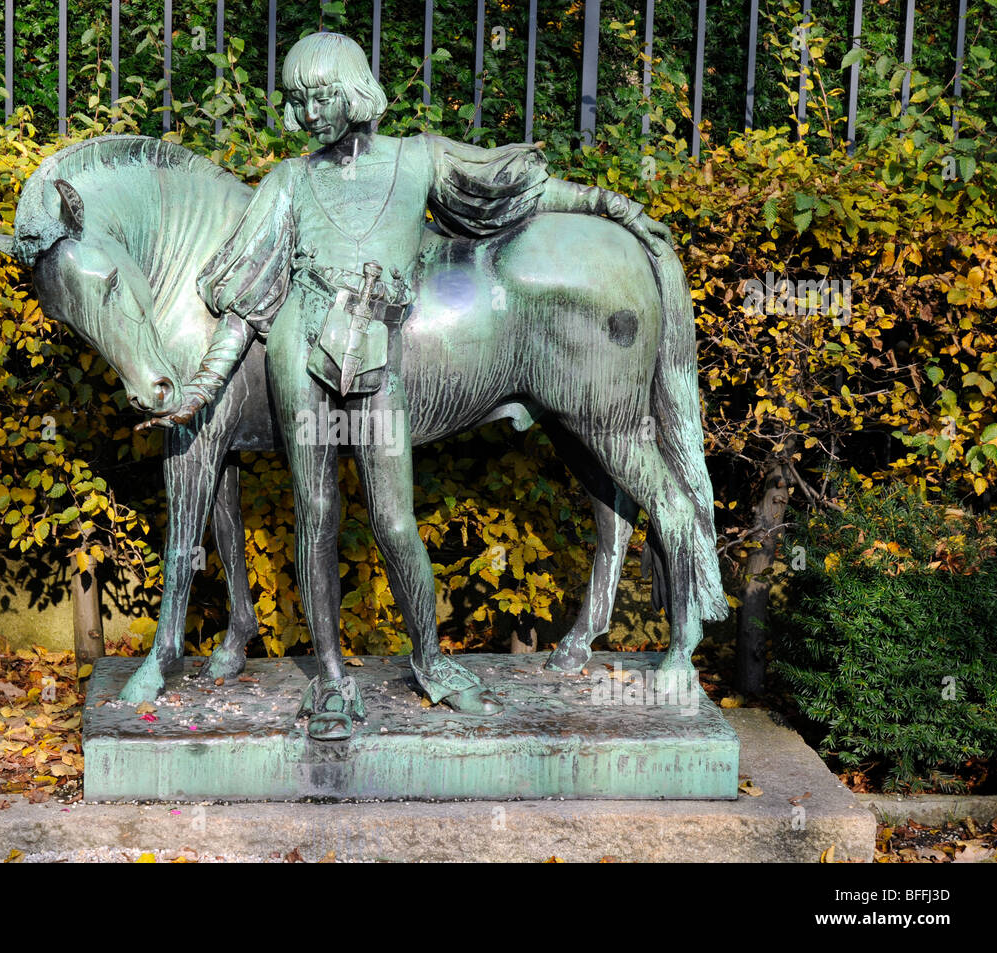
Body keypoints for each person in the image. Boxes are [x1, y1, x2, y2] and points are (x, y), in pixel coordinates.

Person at [143, 32, 672, 740]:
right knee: (318, 515)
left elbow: (517, 195)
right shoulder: (289, 182)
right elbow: (245, 305)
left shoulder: (417, 158)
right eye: (297, 102)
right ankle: (330, 678)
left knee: (395, 521)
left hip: (377, 349)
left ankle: (429, 657)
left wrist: (612, 207)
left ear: (356, 91)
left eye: (320, 97)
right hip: (301, 347)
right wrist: (200, 386)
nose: (307, 116)